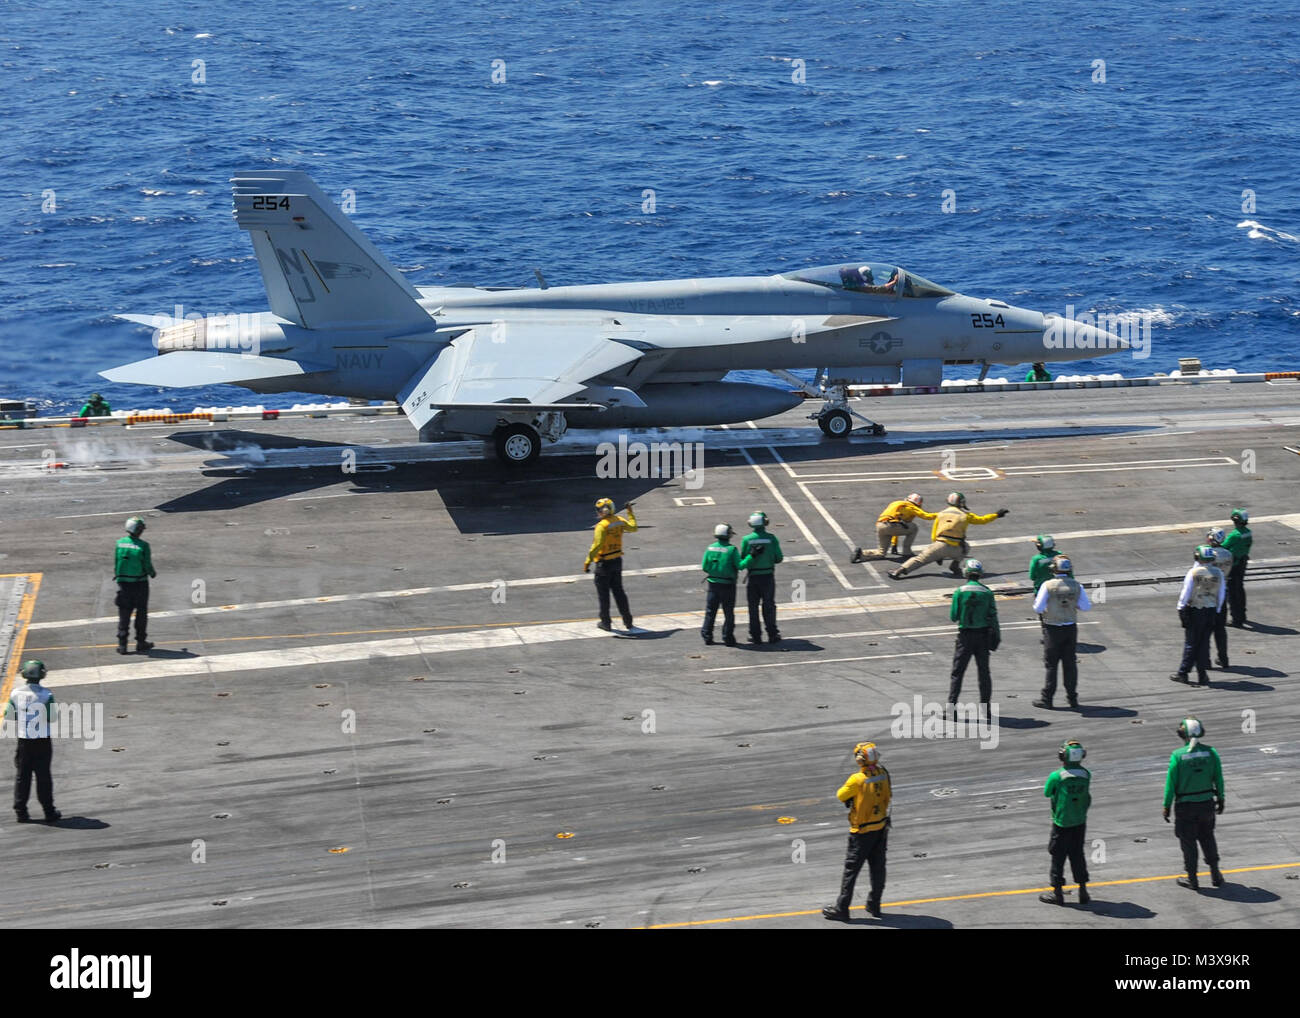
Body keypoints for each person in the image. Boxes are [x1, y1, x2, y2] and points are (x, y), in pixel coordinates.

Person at [823, 742, 891, 921]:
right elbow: (888, 797)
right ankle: (874, 905)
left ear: (860, 759)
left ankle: (842, 909)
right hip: (881, 828)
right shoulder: (883, 774)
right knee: (878, 869)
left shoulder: (857, 779)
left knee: (851, 872)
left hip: (861, 833)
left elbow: (841, 795)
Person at [1162, 717, 1225, 890]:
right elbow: (1218, 778)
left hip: (1186, 806)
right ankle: (1215, 873)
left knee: (1188, 843)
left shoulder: (1177, 755)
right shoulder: (1211, 753)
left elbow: (1171, 784)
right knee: (1208, 837)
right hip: (1206, 804)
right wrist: (1221, 798)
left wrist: (1166, 806)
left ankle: (1192, 878)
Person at [889, 492, 1007, 580]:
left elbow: (934, 533)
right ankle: (955, 565)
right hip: (956, 548)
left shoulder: (941, 514)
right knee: (966, 547)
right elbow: (982, 520)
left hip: (939, 545)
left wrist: (936, 551)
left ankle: (898, 571)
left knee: (919, 560)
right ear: (961, 503)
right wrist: (996, 515)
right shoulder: (965, 515)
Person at [1032, 557, 1091, 710]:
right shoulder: (1077, 586)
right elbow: (1085, 606)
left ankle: (1048, 699)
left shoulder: (1048, 585)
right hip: (1070, 628)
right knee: (1070, 664)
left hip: (1052, 628)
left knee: (1051, 665)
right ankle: (1072, 698)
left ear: (1054, 569)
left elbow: (1038, 608)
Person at [6, 660, 60, 824]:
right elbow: (52, 717)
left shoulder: (15, 693)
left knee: (22, 776)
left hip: (24, 740)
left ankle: (21, 811)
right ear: (42, 674)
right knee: (43, 776)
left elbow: (10, 716)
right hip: (42, 740)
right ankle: (49, 811)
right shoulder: (46, 695)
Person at [1039, 739, 1091, 906]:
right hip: (1080, 821)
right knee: (1077, 855)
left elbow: (1047, 793)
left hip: (1061, 823)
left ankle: (1057, 893)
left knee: (1058, 857)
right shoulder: (1086, 774)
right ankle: (1083, 891)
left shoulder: (1057, 776)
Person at [947, 559, 999, 712]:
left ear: (966, 573)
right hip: (982, 636)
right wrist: (996, 637)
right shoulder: (987, 592)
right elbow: (993, 617)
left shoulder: (959, 592)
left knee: (957, 673)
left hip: (965, 636)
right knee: (984, 673)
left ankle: (951, 708)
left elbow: (954, 616)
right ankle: (986, 708)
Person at [1170, 545, 1224, 686]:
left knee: (1191, 643)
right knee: (1203, 643)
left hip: (1196, 610)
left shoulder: (1193, 572)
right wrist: (1217, 610)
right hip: (1211, 610)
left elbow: (1185, 593)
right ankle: (1202, 675)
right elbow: (1221, 594)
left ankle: (1183, 673)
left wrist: (1181, 609)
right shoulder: (1218, 573)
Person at [583, 498, 637, 633]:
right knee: (619, 592)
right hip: (617, 560)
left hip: (604, 564)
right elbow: (633, 527)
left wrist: (587, 561)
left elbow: (597, 545)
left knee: (604, 595)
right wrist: (630, 512)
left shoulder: (601, 526)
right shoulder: (619, 520)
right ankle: (628, 621)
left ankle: (606, 622)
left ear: (600, 512)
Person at [850, 493, 936, 563]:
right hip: (892, 526)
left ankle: (861, 555)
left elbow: (898, 521)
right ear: (918, 504)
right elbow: (927, 516)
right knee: (914, 527)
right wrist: (943, 514)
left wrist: (894, 543)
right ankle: (907, 551)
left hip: (881, 525)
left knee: (881, 553)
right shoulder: (911, 507)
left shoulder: (895, 503)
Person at [115, 515, 156, 655]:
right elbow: (147, 565)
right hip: (139, 584)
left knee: (124, 614)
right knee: (141, 613)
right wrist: (152, 573)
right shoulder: (143, 546)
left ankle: (122, 645)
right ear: (138, 530)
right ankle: (140, 642)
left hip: (123, 585)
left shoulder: (119, 543)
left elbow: (116, 562)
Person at [740, 511, 783, 645]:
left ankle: (755, 635)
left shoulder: (746, 540)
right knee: (769, 606)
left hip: (753, 577)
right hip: (768, 576)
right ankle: (772, 634)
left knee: (753, 607)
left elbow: (743, 558)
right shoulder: (771, 538)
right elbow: (779, 558)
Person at [701, 523, 740, 646]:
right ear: (728, 535)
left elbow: (705, 567)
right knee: (728, 612)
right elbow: (740, 565)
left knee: (710, 611)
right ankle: (728, 637)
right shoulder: (732, 549)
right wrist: (751, 556)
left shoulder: (710, 548)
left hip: (713, 584)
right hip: (728, 585)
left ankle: (707, 635)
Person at [1205, 528, 1234, 667]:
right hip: (1223, 591)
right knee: (1220, 629)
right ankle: (1223, 658)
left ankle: (1205, 659)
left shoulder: (1209, 554)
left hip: (1209, 592)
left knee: (1206, 628)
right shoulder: (1228, 554)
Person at [1221, 509, 1252, 627]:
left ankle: (1236, 619)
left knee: (1232, 591)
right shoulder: (1248, 532)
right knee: (1240, 587)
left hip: (1233, 565)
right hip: (1243, 562)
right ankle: (1242, 614)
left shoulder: (1235, 534)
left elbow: (1224, 546)